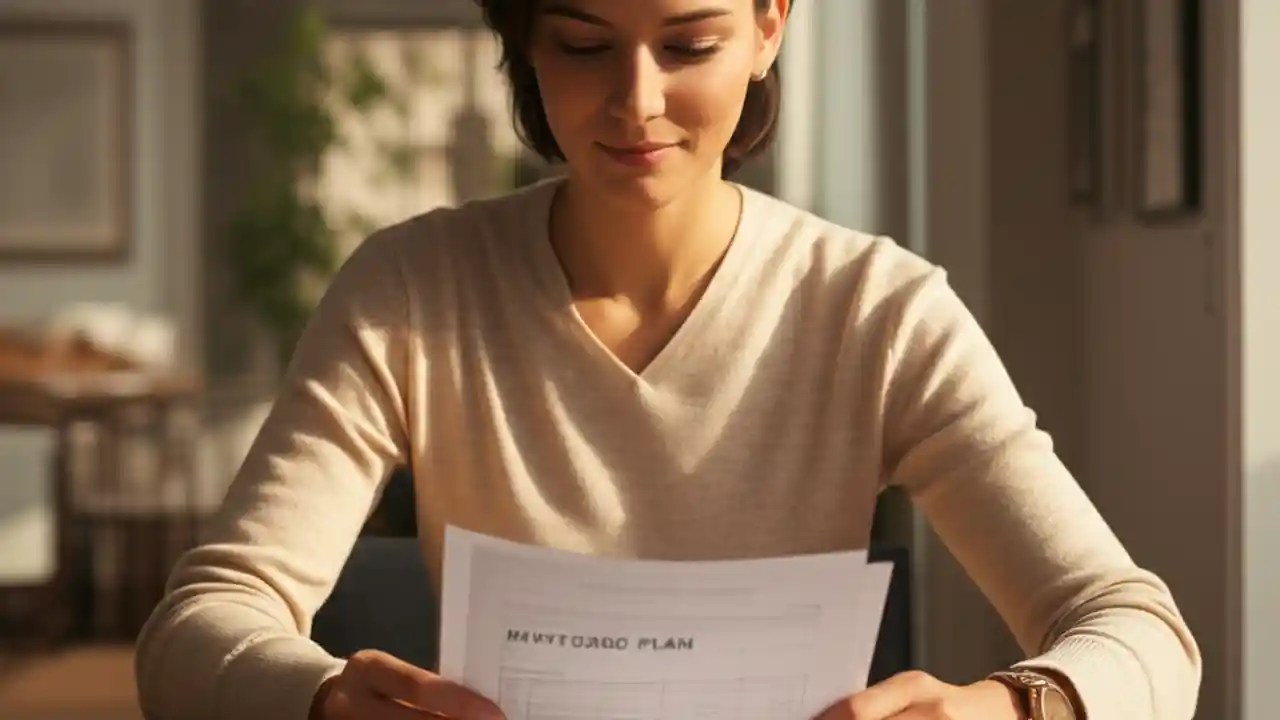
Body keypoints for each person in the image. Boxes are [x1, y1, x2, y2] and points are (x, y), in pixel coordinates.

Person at [135, 1, 1201, 718]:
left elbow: (1141, 631)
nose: (635, 102)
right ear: (525, 44)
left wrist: (1008, 708)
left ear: (770, 24)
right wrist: (319, 698)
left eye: (687, 45)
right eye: (583, 45)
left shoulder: (877, 310)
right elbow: (198, 627)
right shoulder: (411, 288)